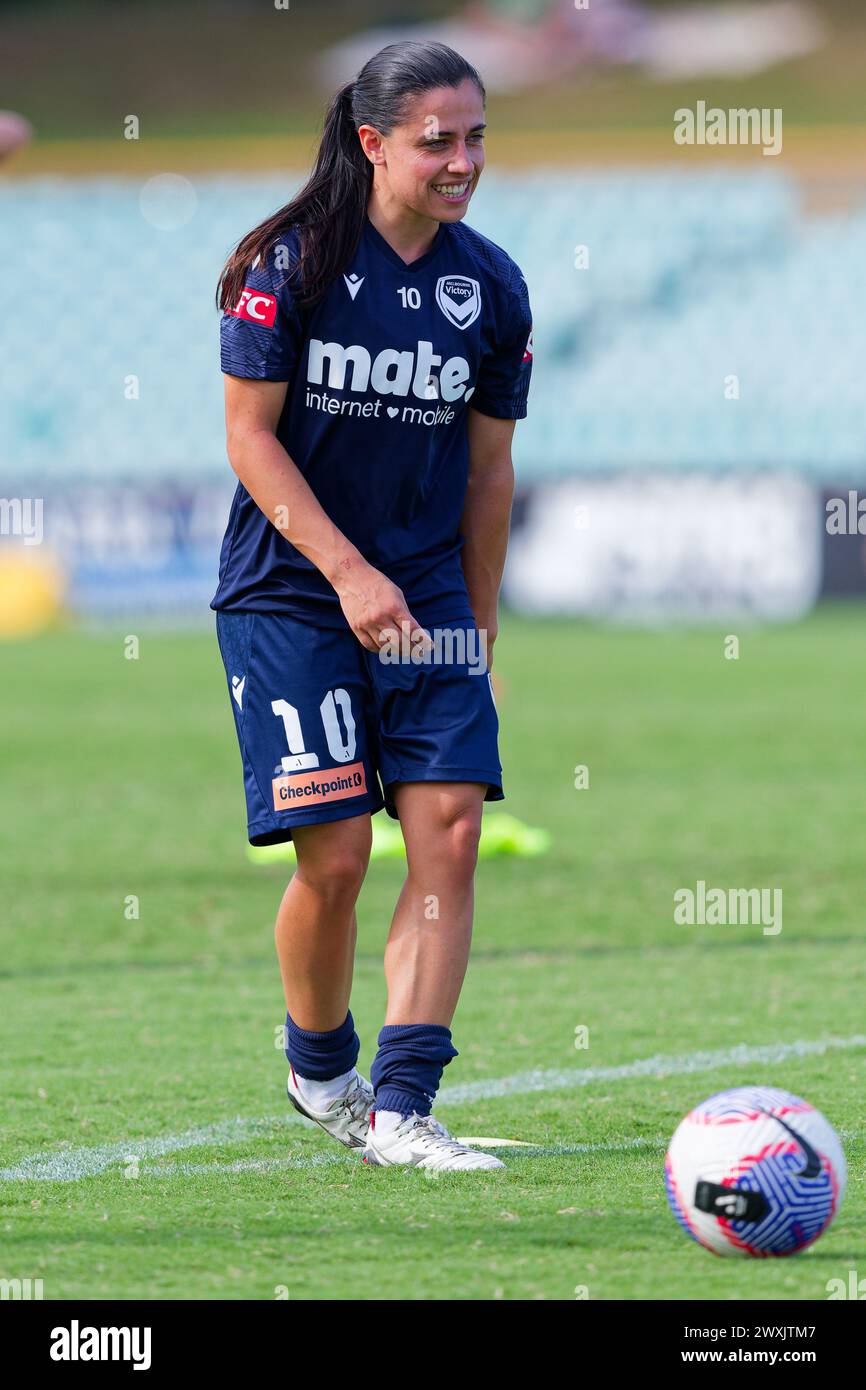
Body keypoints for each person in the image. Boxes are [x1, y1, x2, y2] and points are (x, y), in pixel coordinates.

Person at [214, 39, 533, 1170]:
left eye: (475, 137)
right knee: (337, 857)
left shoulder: (489, 285)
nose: (461, 162)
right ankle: (320, 1070)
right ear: (372, 142)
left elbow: (487, 472)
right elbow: (249, 437)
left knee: (448, 828)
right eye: (436, 141)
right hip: (292, 595)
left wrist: (478, 625)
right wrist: (349, 573)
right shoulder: (290, 265)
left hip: (431, 597)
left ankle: (402, 1105)